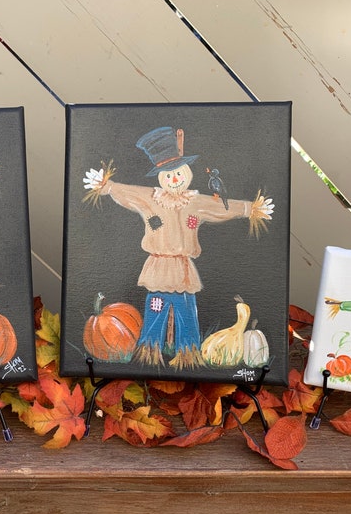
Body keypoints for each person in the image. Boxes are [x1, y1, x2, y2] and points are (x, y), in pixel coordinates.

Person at [83, 126, 274, 369]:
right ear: (161, 177)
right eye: (168, 175)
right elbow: (128, 193)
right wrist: (108, 186)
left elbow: (220, 208)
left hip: (183, 269)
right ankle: (150, 350)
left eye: (178, 174)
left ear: (186, 173)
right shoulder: (151, 198)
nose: (174, 180)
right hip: (158, 267)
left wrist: (249, 209)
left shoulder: (194, 202)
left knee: (185, 310)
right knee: (157, 307)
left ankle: (187, 352)